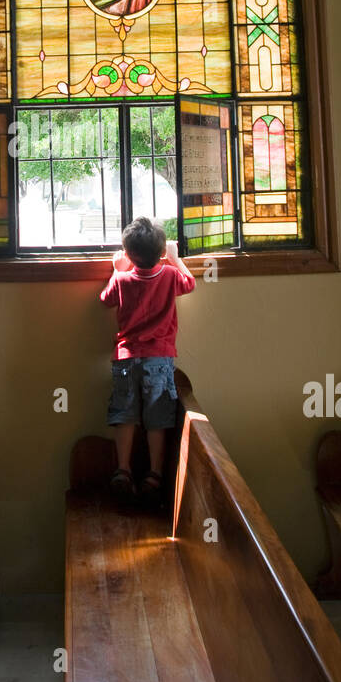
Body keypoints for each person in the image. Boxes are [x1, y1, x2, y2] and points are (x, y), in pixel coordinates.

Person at [99, 216, 195, 505]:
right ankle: (154, 474)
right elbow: (189, 284)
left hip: (127, 360)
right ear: (162, 252)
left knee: (125, 416)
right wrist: (176, 259)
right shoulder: (169, 275)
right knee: (157, 419)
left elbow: (105, 299)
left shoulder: (123, 279)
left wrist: (117, 271)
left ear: (128, 255)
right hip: (159, 359)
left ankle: (123, 469)